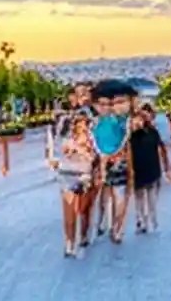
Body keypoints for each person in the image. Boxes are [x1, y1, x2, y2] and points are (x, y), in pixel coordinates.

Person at [52, 114, 97, 257]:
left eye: (85, 124)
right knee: (69, 211)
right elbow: (57, 156)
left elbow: (95, 157)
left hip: (85, 176)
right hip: (67, 176)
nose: (82, 127)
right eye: (79, 124)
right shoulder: (66, 140)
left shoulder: (92, 140)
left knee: (84, 209)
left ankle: (83, 234)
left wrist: (84, 151)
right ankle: (69, 243)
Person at [91, 93, 131, 243]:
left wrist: (115, 153)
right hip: (100, 161)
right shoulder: (94, 123)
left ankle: (116, 228)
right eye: (101, 104)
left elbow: (126, 137)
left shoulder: (121, 121)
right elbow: (91, 140)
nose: (105, 107)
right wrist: (101, 155)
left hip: (117, 162)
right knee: (103, 195)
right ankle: (101, 222)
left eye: (108, 104)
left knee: (118, 197)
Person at [130, 103, 171, 234]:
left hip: (151, 168)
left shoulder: (152, 132)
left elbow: (162, 149)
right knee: (142, 196)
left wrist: (166, 166)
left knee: (149, 196)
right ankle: (142, 219)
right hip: (140, 168)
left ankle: (148, 219)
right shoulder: (133, 134)